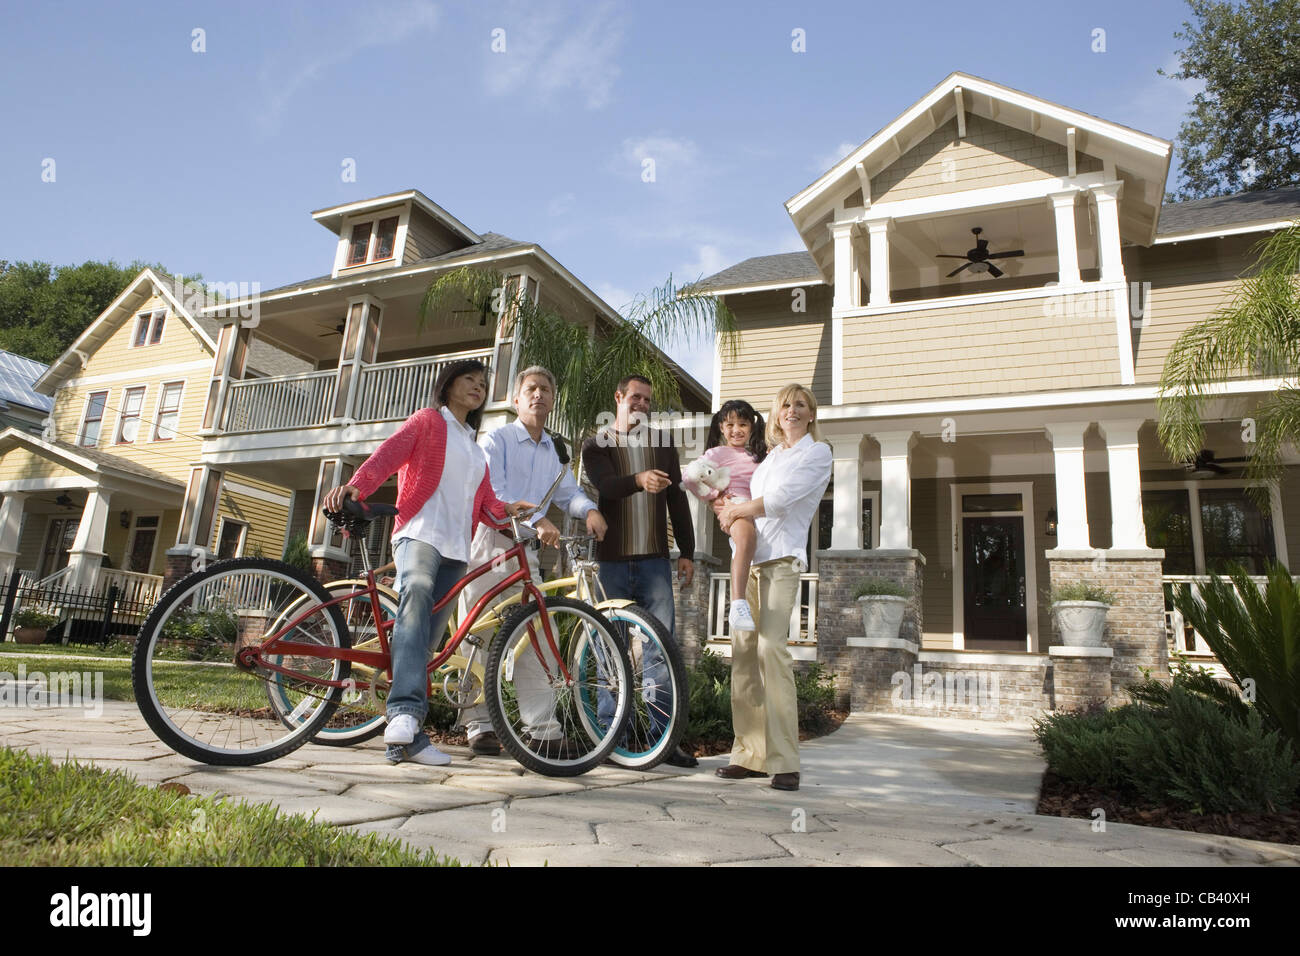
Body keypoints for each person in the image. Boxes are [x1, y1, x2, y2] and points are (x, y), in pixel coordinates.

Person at [322, 359, 532, 767]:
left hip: (457, 549)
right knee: (415, 592)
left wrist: (510, 512)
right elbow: (388, 454)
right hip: (419, 533)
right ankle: (403, 711)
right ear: (448, 385)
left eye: (483, 383)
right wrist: (357, 486)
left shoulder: (474, 448)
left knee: (427, 643)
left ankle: (408, 742)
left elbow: (487, 504)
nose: (478, 387)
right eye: (469, 379)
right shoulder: (428, 421)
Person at [458, 365, 608, 756]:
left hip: (526, 553)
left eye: (545, 388)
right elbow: (494, 488)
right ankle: (478, 726)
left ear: (552, 399)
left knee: (540, 634)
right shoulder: (500, 439)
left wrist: (589, 510)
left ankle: (543, 731)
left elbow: (568, 493)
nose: (538, 394)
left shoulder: (554, 452)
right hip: (489, 545)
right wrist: (537, 518)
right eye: (531, 388)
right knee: (481, 634)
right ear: (516, 399)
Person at [713, 383, 831, 792]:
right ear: (777, 414)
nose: (792, 411)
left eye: (800, 405)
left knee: (771, 649)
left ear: (811, 413)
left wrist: (738, 509)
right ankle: (749, 755)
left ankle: (785, 761)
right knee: (744, 653)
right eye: (785, 405)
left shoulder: (817, 453)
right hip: (752, 564)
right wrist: (729, 517)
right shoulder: (771, 457)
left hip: (782, 561)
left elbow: (780, 500)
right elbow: (747, 503)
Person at [581, 373, 698, 768]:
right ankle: (610, 734)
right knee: (607, 649)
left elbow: (678, 501)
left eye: (648, 400)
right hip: (611, 563)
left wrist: (688, 551)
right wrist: (639, 479)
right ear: (619, 397)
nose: (642, 405)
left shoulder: (663, 446)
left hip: (653, 562)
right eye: (636, 397)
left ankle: (662, 739)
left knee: (660, 650)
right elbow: (608, 486)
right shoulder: (596, 444)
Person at [680, 399, 767, 632]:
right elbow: (689, 476)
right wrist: (713, 497)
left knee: (750, 547)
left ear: (752, 426)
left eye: (743, 424)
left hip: (759, 509)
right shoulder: (718, 453)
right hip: (735, 505)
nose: (736, 430)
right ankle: (738, 604)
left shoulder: (758, 455)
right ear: (721, 427)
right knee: (746, 537)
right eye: (730, 425)